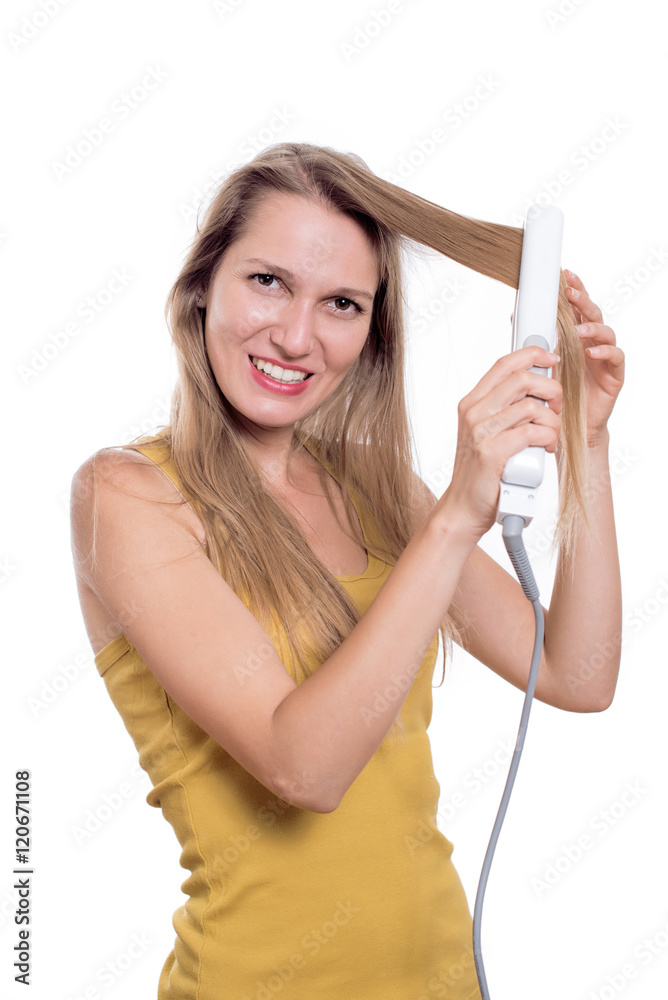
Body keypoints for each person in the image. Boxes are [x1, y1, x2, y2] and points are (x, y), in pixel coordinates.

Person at [70, 142, 625, 1000]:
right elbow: (303, 769)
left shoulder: (377, 488)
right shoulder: (128, 496)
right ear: (203, 286)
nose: (297, 337)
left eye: (341, 303)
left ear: (372, 333)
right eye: (268, 281)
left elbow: (576, 675)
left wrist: (586, 437)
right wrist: (456, 515)